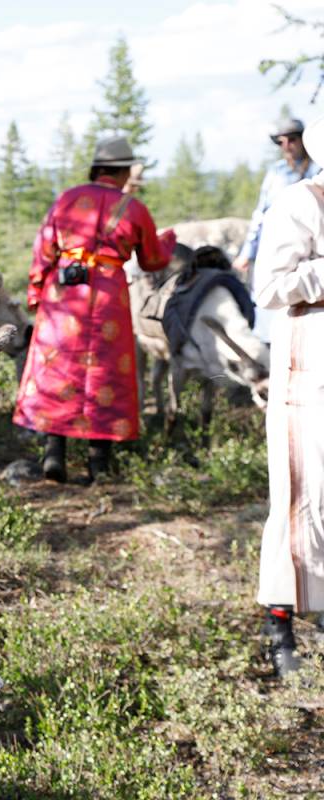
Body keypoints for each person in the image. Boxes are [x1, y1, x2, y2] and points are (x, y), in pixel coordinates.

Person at [14, 136, 176, 484]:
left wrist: (36, 292)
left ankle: (53, 454)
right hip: (109, 297)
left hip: (64, 293)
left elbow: (44, 249)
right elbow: (152, 260)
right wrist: (168, 242)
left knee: (57, 367)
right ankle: (99, 463)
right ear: (122, 172)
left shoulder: (67, 198)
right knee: (106, 373)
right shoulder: (133, 208)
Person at [251, 115, 324, 680]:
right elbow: (270, 286)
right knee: (303, 494)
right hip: (311, 371)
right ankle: (280, 623)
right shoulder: (301, 202)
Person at [237, 114, 322, 344]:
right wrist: (247, 253)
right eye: (280, 141)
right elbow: (260, 214)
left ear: (302, 140)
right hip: (278, 247)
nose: (286, 145)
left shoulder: (317, 168)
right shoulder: (275, 173)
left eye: (291, 139)